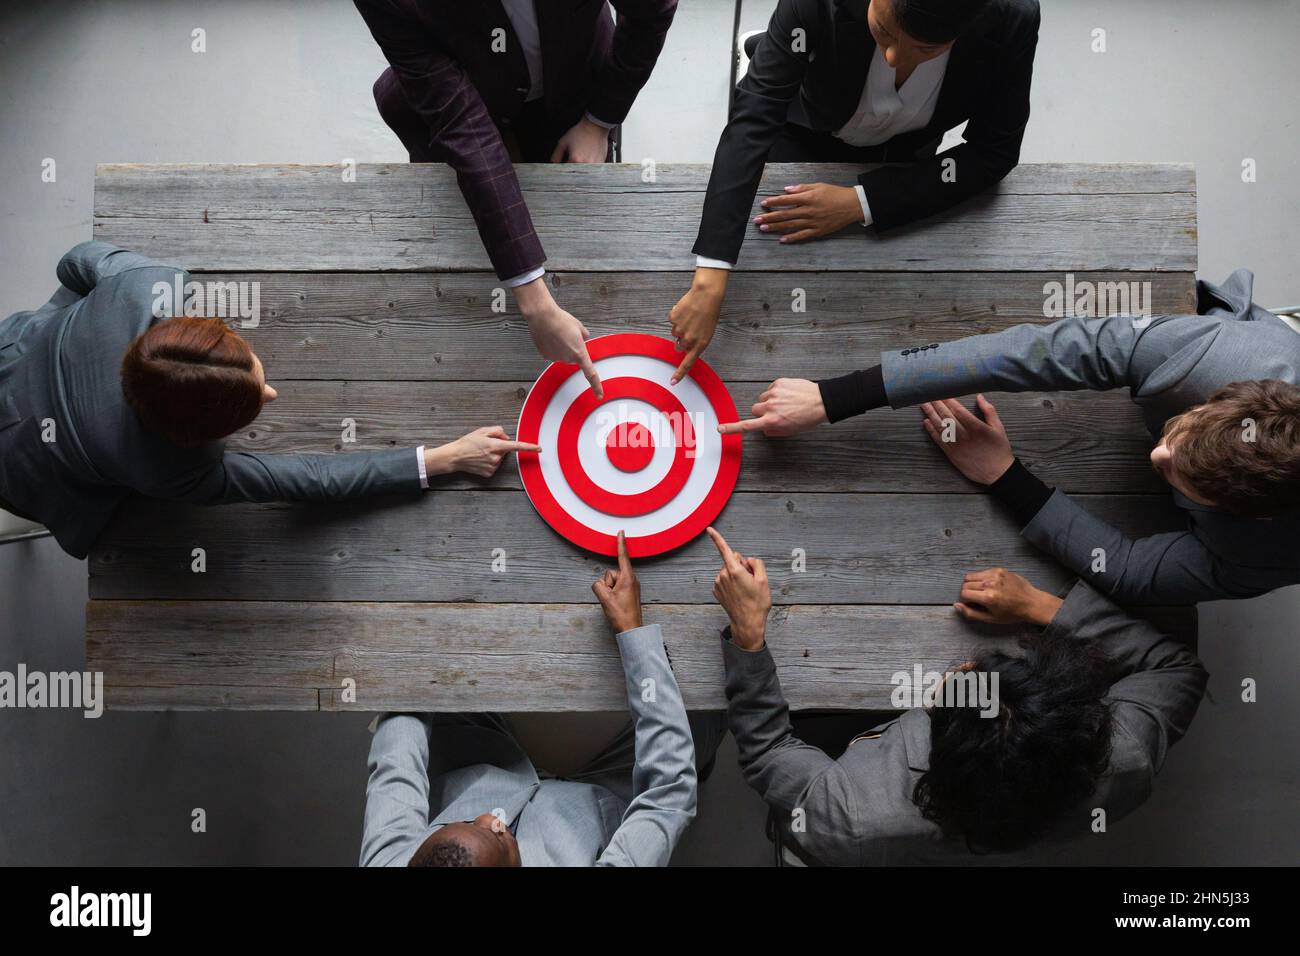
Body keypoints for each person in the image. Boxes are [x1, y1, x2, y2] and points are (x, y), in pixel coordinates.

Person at [721, 270, 1300, 604]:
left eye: (1181, 475)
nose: (1157, 453)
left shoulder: (1266, 554)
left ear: (1246, 515)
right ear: (1224, 397)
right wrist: (834, 397)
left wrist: (1006, 476)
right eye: (1178, 430)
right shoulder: (1205, 357)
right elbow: (1030, 353)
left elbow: (1130, 571)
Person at [703, 526, 1207, 865]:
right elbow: (1178, 667)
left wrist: (748, 635)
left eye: (960, 685)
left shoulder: (847, 812)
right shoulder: (1131, 755)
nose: (966, 667)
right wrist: (1042, 606)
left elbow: (769, 751)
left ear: (934, 754)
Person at [0, 241, 535, 559]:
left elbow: (74, 264)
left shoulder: (146, 285)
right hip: (22, 471)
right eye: (256, 401)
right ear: (190, 437)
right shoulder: (171, 471)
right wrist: (445, 459)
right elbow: (308, 482)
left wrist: (57, 328)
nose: (272, 391)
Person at [670, 0, 1040, 381]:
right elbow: (753, 121)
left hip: (904, 149)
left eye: (927, 50)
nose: (895, 58)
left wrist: (860, 202)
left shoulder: (1013, 18)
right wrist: (710, 276)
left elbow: (993, 152)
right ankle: (770, 52)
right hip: (807, 124)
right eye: (883, 32)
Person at [354, 0, 681, 397]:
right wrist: (536, 304)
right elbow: (462, 125)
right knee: (466, 242)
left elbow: (653, 11)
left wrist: (598, 122)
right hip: (463, 94)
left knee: (579, 228)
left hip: (572, 86)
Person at [360, 532, 726, 867]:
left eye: (470, 822)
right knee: (703, 717)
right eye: (499, 836)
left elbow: (395, 764)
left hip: (483, 761)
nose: (490, 817)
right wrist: (634, 635)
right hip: (604, 797)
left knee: (440, 678)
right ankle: (704, 758)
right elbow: (667, 796)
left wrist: (415, 644)